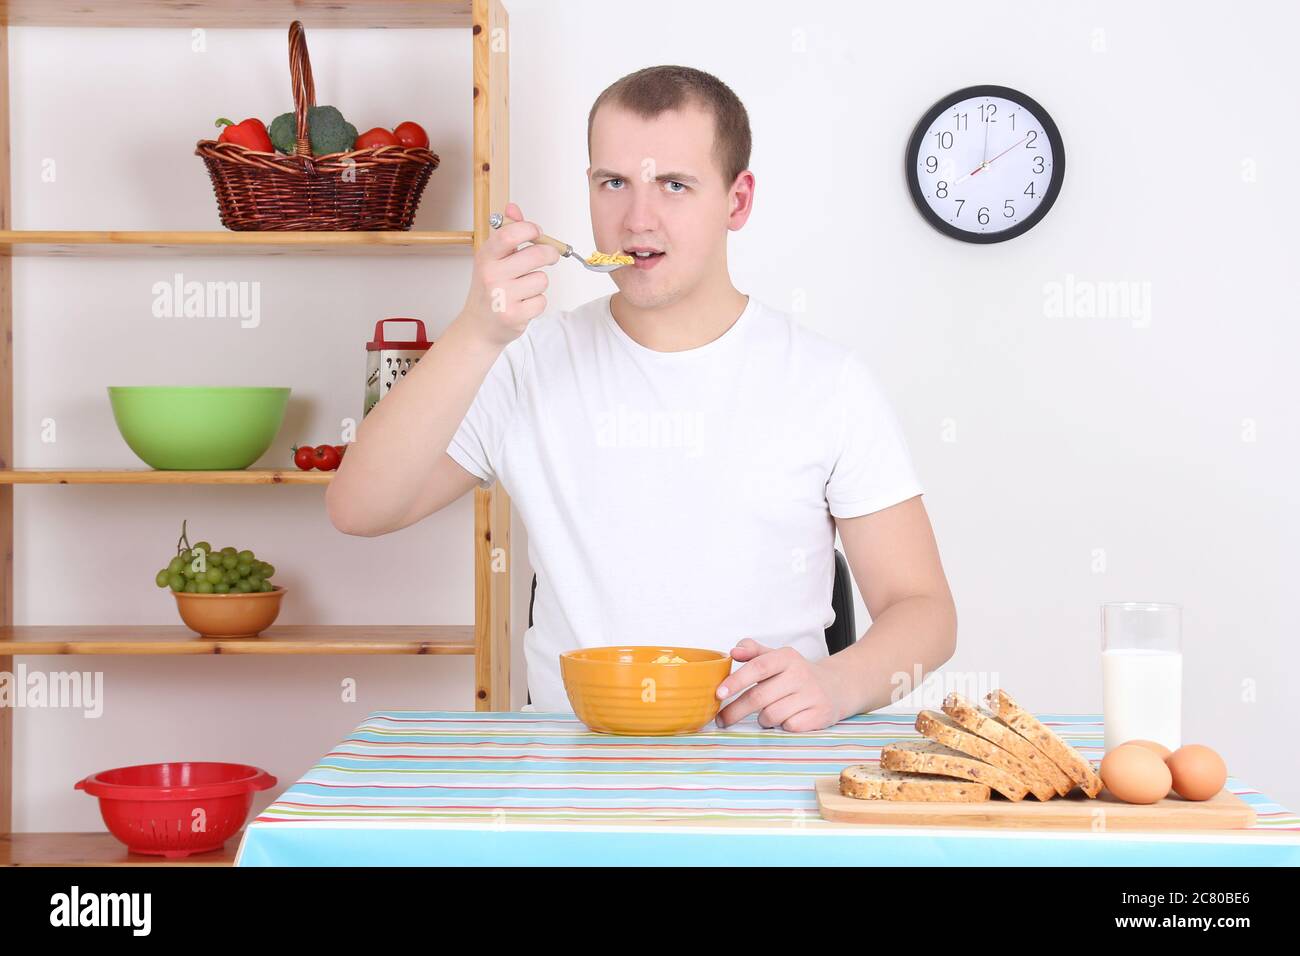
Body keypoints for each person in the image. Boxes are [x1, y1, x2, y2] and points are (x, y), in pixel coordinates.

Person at [327, 65, 956, 730]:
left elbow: (924, 610)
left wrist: (838, 682)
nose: (637, 219)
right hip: (570, 782)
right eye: (613, 183)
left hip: (766, 775)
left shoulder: (828, 382)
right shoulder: (523, 362)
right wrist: (475, 332)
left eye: (674, 185)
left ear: (737, 201)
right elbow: (358, 507)